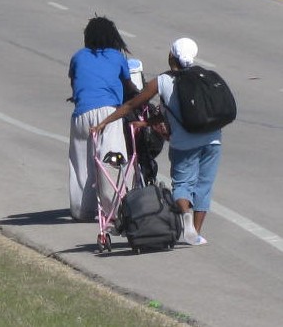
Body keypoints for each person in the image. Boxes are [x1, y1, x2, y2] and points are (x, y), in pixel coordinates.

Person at [91, 38, 222, 246]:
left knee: (182, 184)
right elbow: (181, 112)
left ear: (171, 56)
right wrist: (149, 123)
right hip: (213, 139)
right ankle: (195, 233)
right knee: (204, 185)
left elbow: (132, 104)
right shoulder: (203, 76)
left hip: (184, 143)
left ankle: (186, 220)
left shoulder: (162, 81)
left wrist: (104, 123)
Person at [68, 16, 139, 222]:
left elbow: (75, 85)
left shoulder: (78, 57)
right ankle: (116, 209)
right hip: (109, 113)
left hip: (82, 114)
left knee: (82, 163)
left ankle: (82, 210)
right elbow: (128, 85)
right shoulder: (117, 57)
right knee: (112, 160)